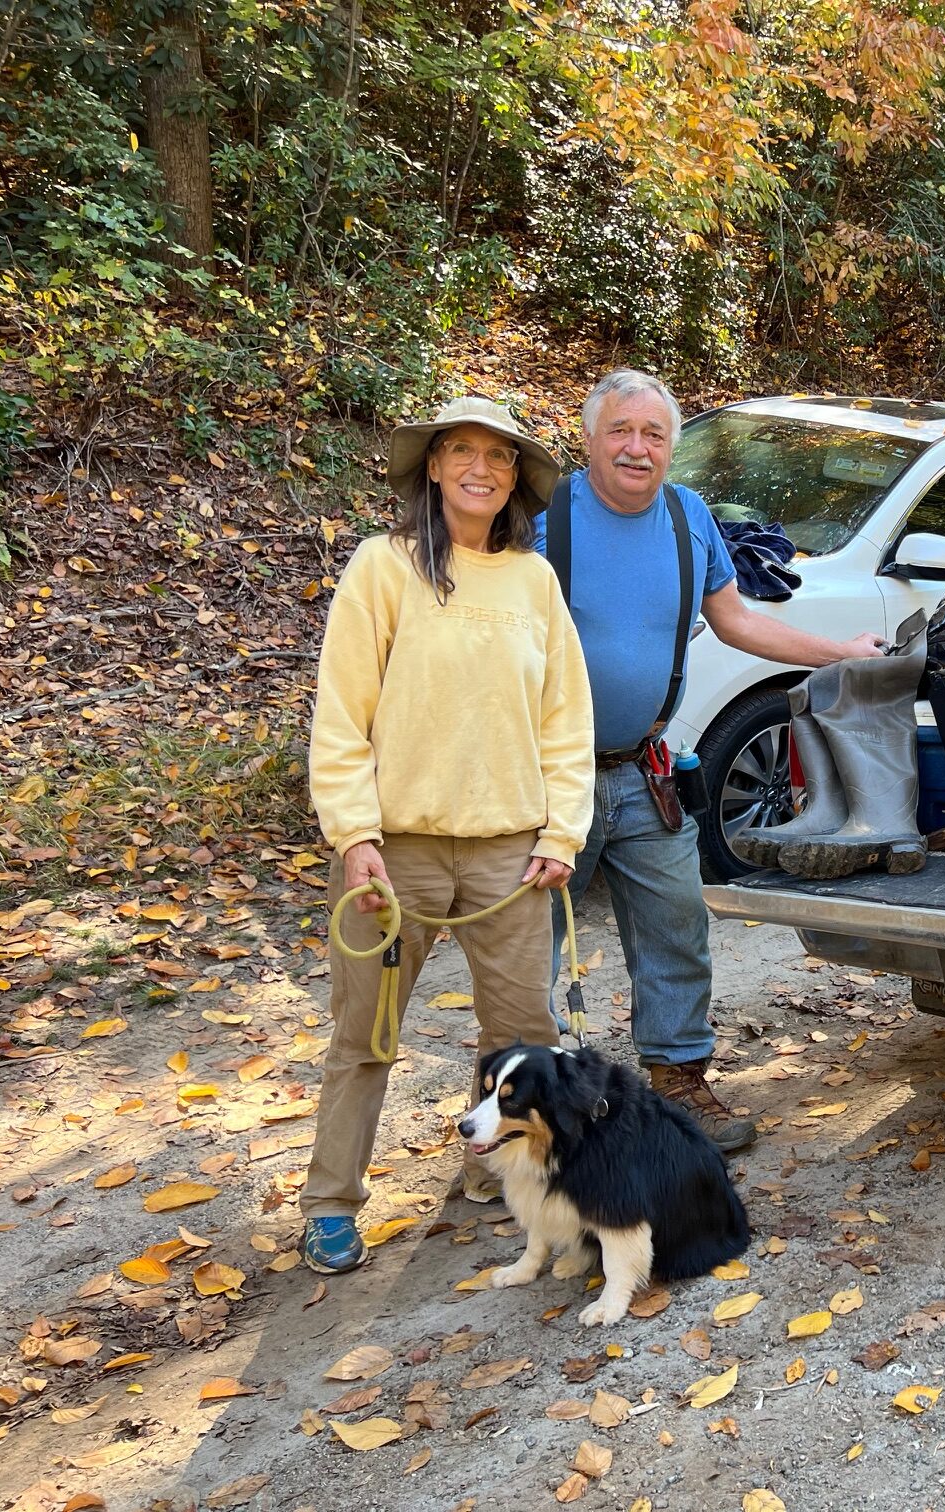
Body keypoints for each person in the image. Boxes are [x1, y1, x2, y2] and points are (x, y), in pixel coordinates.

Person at [539, 369, 883, 1152]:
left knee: (677, 929)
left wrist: (839, 653)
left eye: (654, 435)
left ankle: (679, 1083)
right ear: (589, 438)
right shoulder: (542, 517)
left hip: (644, 774)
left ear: (670, 447)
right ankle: (536, 1120)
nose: (637, 448)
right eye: (621, 432)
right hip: (545, 781)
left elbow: (736, 622)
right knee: (528, 955)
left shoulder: (688, 517)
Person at [300, 396, 596, 1274]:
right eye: (460, 452)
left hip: (512, 851)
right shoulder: (382, 568)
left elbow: (565, 720)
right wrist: (353, 835)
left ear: (515, 479)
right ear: (432, 467)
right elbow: (342, 717)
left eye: (498, 457)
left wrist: (563, 832)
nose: (479, 468)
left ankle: (497, 1172)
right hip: (395, 850)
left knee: (520, 1032)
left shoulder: (533, 583)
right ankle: (330, 1204)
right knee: (367, 1033)